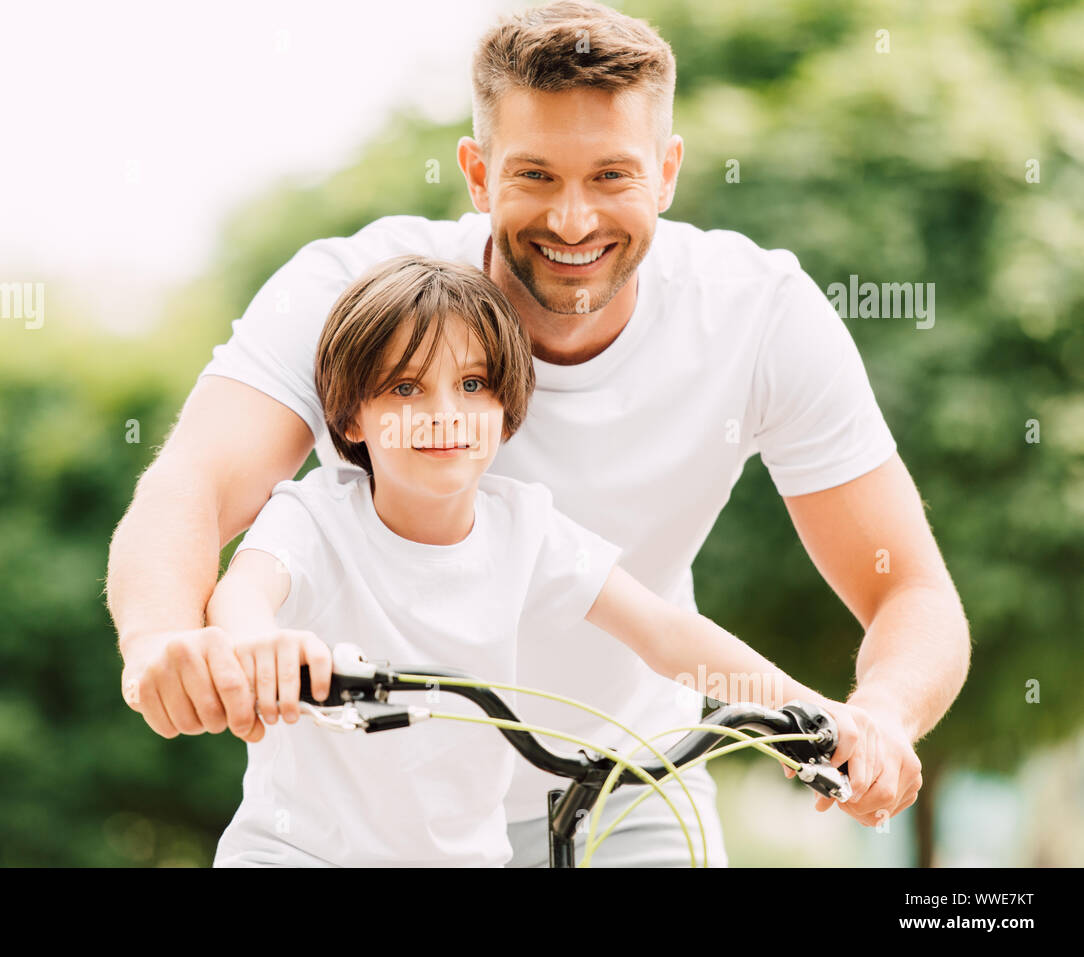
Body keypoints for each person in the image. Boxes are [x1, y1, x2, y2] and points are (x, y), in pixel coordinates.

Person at [109, 0, 967, 867]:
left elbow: (910, 590)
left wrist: (873, 719)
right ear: (478, 175)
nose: (572, 220)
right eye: (536, 176)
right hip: (372, 812)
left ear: (667, 173)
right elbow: (197, 488)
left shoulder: (760, 314)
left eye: (612, 177)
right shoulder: (360, 295)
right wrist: (166, 647)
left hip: (634, 779)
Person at [205, 254, 853, 866]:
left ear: (505, 408)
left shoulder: (524, 527)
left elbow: (663, 632)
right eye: (406, 386)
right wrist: (259, 643)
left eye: (472, 383)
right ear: (350, 417)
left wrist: (811, 714)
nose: (444, 413)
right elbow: (243, 594)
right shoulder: (317, 517)